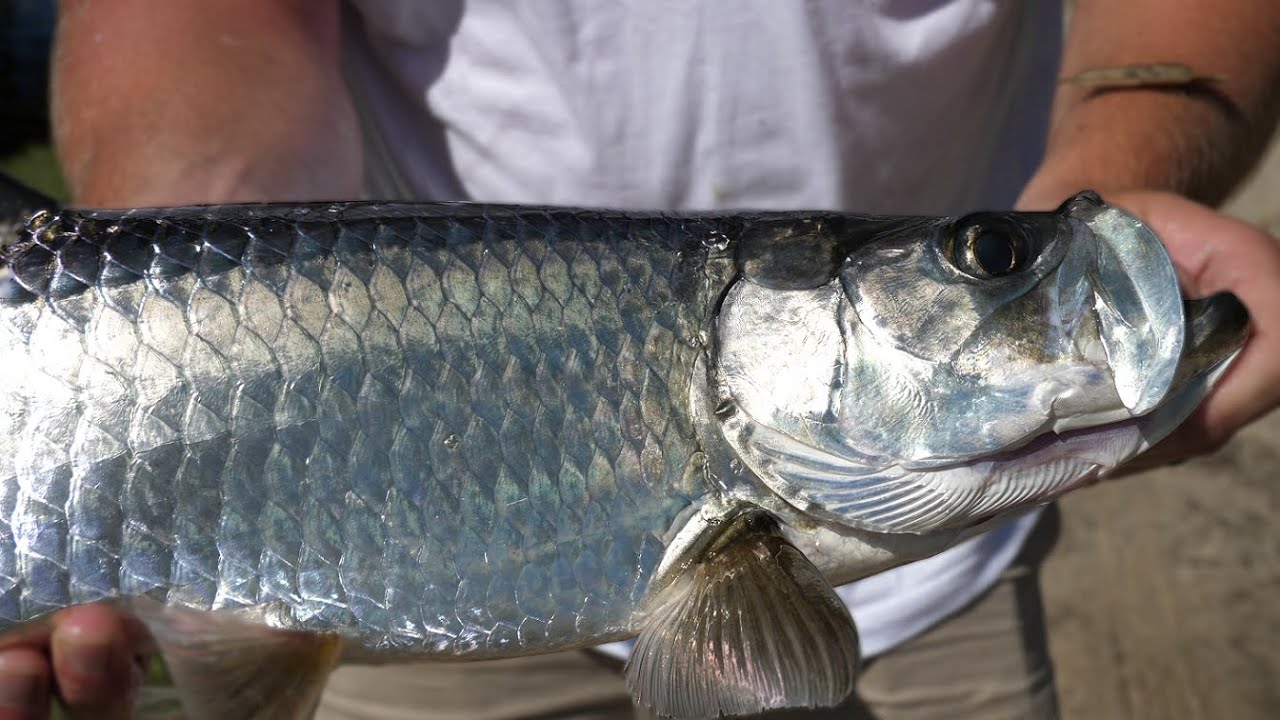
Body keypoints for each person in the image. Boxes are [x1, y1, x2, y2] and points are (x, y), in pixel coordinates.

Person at [3, 1, 1279, 718]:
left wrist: (1122, 165)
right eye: (991, 262)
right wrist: (151, 396)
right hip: (369, 561)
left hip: (928, 596)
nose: (1017, 272)